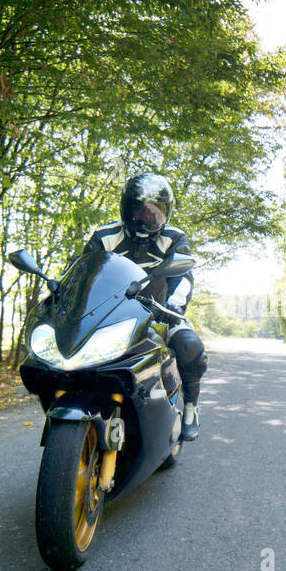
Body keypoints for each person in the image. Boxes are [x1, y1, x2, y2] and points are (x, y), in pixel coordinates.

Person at [81, 172, 205, 441]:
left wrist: (174, 305)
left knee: (190, 346)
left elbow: (183, 277)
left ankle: (191, 407)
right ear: (127, 208)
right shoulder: (104, 236)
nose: (149, 217)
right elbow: (82, 274)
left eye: (156, 211)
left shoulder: (173, 237)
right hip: (110, 315)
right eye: (142, 209)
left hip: (160, 313)